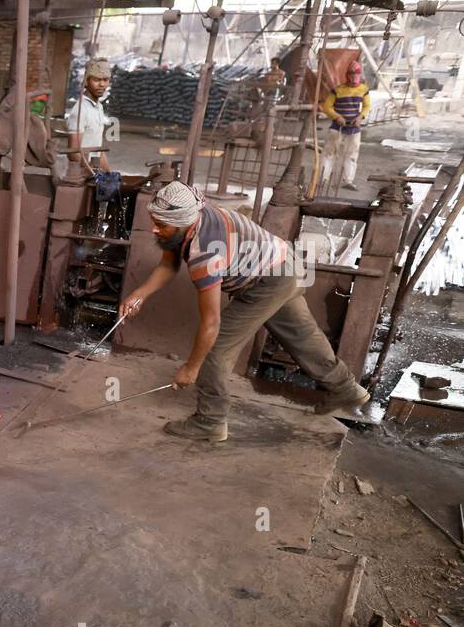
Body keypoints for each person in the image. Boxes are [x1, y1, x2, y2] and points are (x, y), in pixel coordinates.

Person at [120, 181, 369, 443]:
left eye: (162, 225)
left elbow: (211, 324)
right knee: (301, 335)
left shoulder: (204, 252)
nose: (154, 229)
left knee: (214, 348)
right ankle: (345, 389)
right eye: (154, 220)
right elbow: (169, 264)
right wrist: (139, 294)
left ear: (184, 222)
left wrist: (191, 368)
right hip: (284, 264)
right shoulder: (193, 215)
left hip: (268, 280)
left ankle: (210, 421)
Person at [320, 59, 371, 192]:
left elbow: (367, 106)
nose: (354, 76)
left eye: (357, 74)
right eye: (352, 74)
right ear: (347, 75)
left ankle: (348, 180)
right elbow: (327, 106)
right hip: (337, 127)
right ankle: (323, 178)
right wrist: (337, 116)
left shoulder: (363, 89)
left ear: (360, 75)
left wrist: (361, 116)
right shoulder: (337, 90)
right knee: (329, 152)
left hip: (354, 127)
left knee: (352, 154)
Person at [65, 58, 113, 175]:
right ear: (86, 81)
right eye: (96, 80)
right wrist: (92, 174)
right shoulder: (81, 110)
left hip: (94, 170)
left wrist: (108, 174)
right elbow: (73, 153)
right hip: (81, 174)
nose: (102, 84)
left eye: (105, 80)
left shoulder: (98, 107)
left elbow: (98, 150)